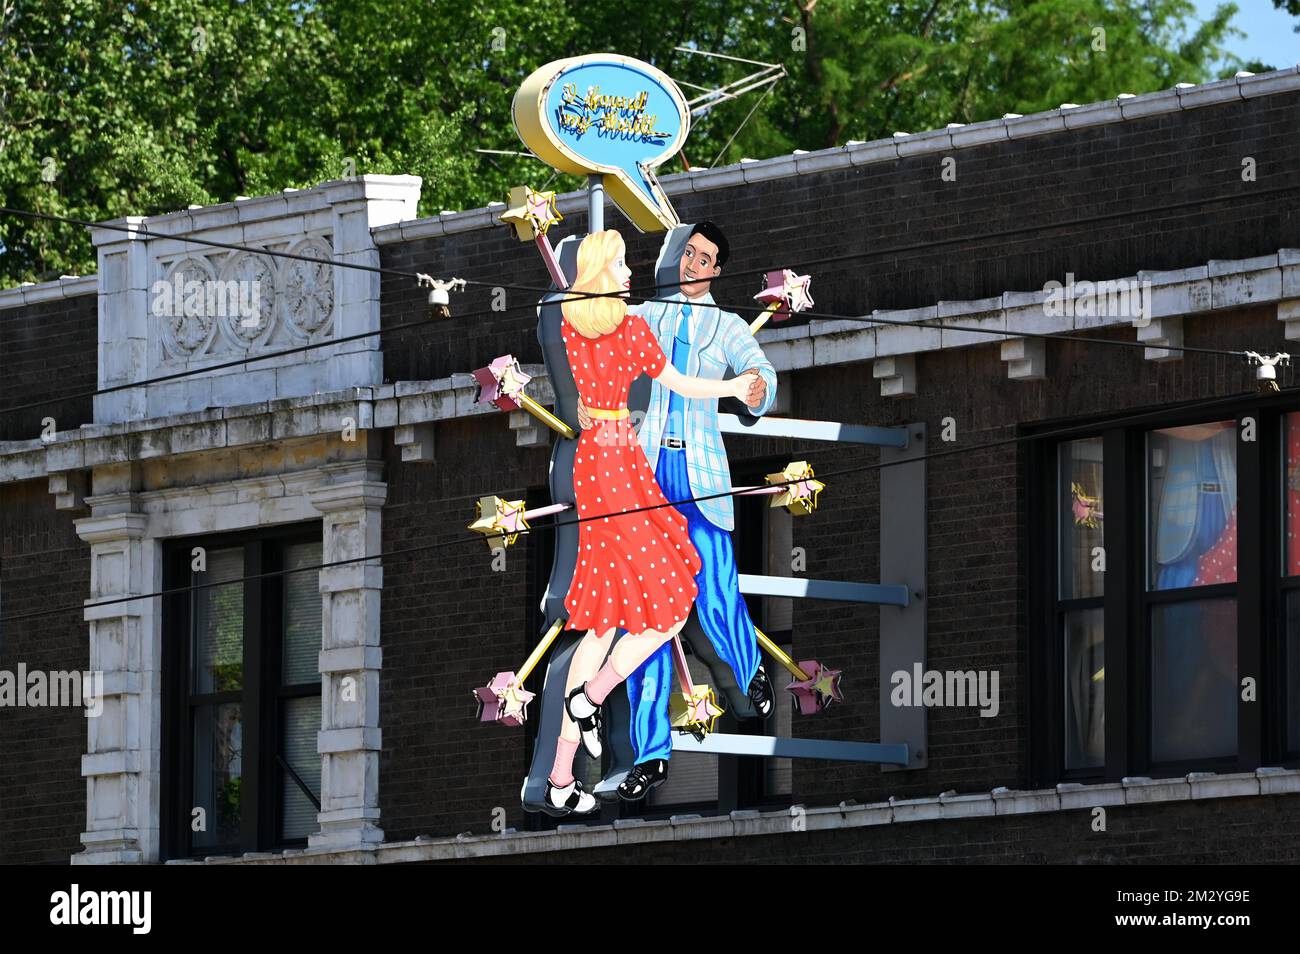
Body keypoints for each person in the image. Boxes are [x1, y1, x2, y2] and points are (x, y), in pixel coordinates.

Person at [543, 229, 757, 817]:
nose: (632, 270)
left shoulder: (573, 326)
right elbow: (681, 384)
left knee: (602, 624)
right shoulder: (634, 329)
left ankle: (563, 774)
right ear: (603, 270)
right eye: (621, 263)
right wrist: (734, 387)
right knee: (672, 601)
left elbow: (587, 368)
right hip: (619, 463)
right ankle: (595, 697)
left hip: (601, 458)